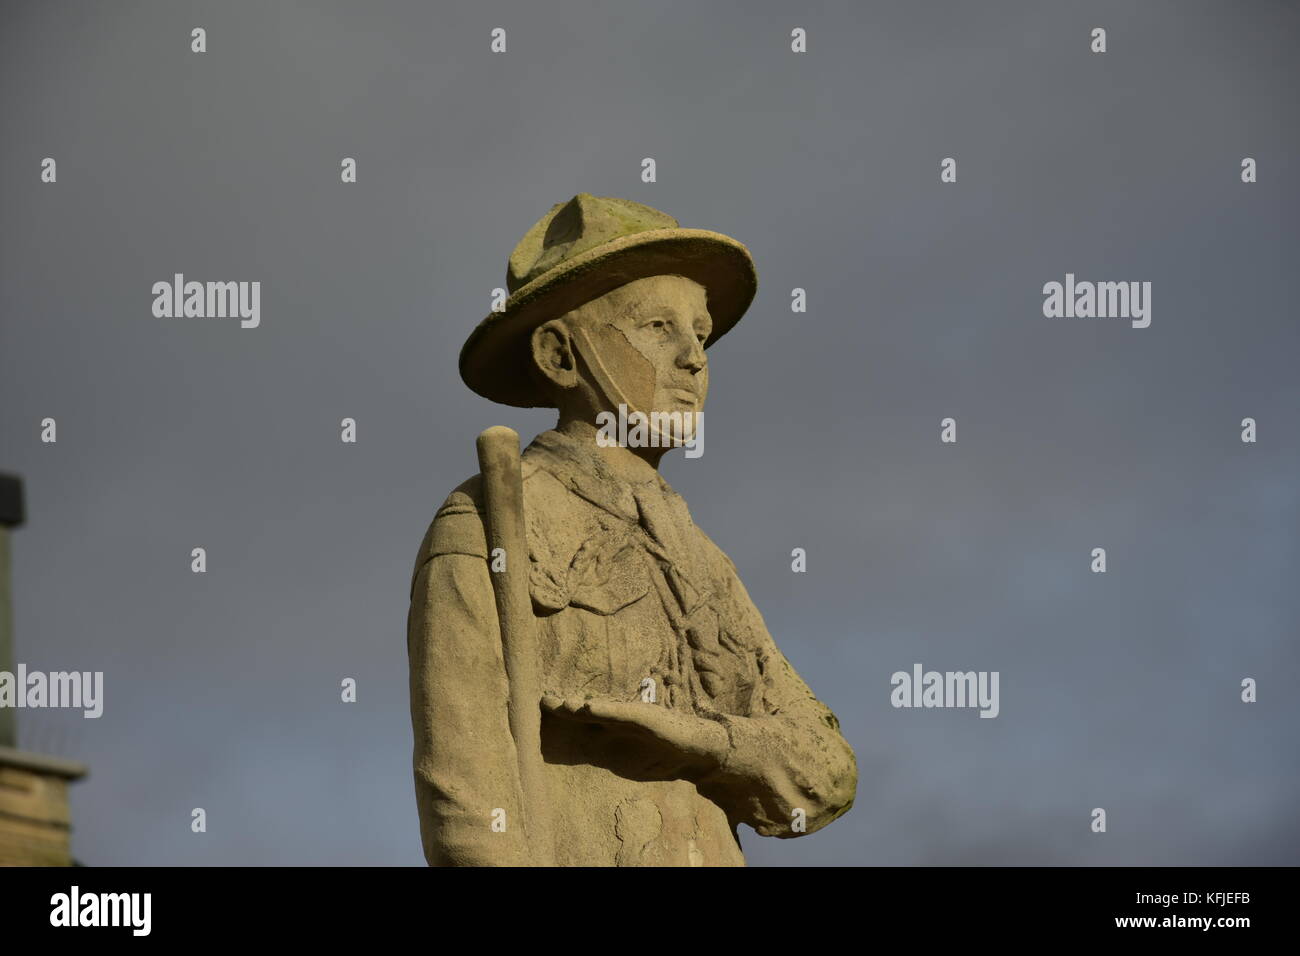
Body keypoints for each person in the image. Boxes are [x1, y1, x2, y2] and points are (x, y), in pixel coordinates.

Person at [408, 193, 857, 866]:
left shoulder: (703, 559)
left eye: (699, 334)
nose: (693, 359)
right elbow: (468, 807)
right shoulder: (493, 524)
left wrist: (695, 741)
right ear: (561, 355)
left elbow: (825, 781)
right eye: (656, 327)